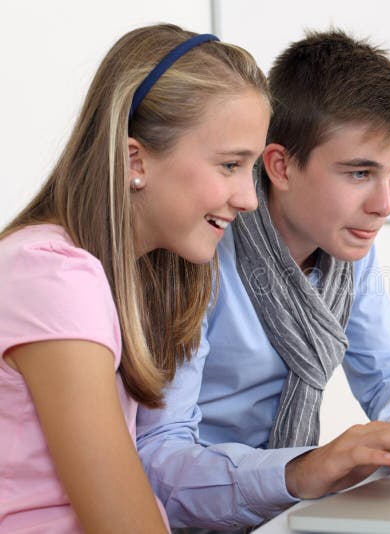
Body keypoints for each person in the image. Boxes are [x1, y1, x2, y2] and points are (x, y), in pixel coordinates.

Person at [137, 30, 390, 530]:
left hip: (285, 508)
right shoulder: (197, 249)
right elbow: (158, 460)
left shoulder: (347, 248)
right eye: (360, 173)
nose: (385, 204)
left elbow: (388, 369)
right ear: (281, 166)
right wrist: (303, 471)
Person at [0, 24, 271, 533]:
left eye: (250, 169)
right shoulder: (54, 276)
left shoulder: (117, 276)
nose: (248, 198)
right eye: (230, 164)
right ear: (134, 159)